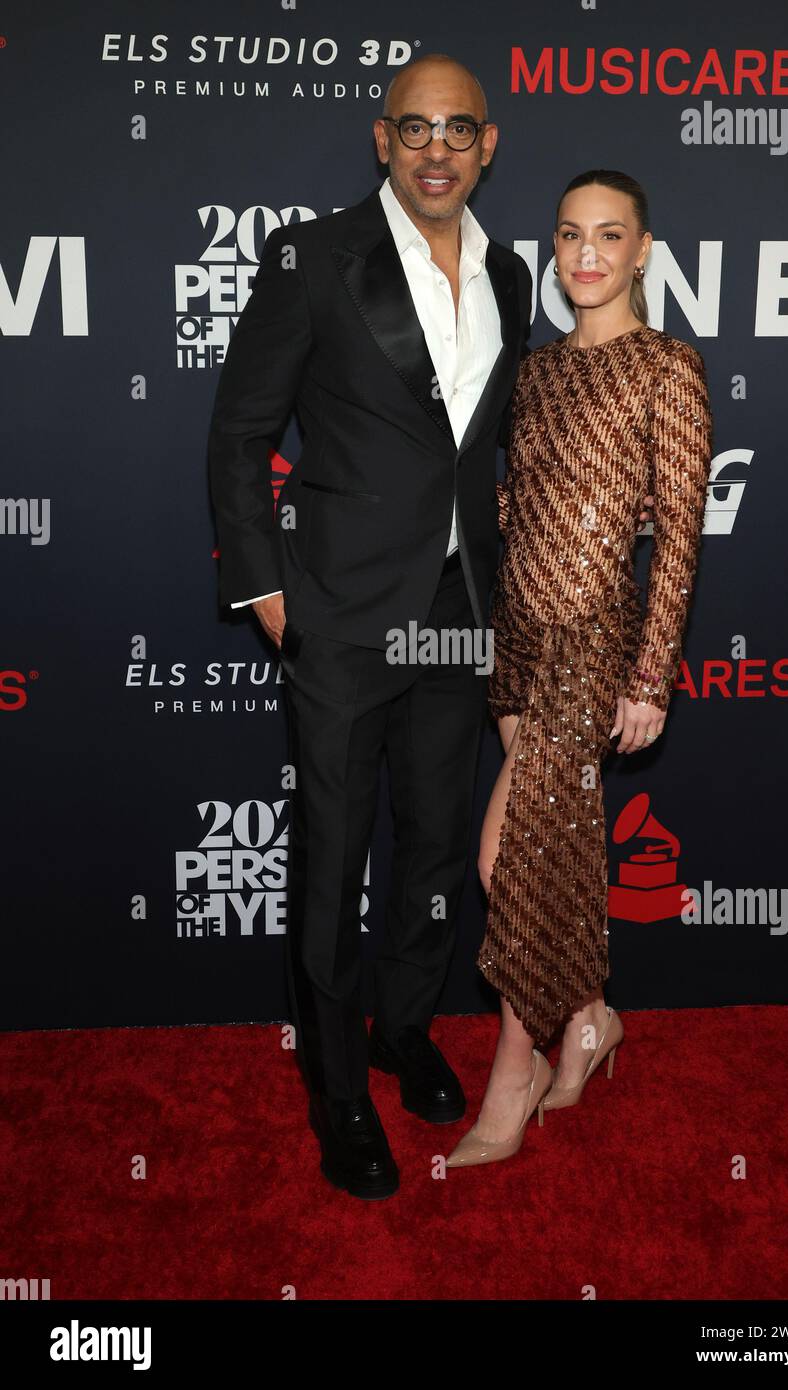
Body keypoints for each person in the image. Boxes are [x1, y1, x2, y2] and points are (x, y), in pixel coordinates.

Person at [207, 53, 536, 1201]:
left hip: (455, 612)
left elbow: (484, 448)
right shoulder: (311, 258)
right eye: (413, 129)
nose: (436, 149)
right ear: (380, 139)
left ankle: (403, 1029)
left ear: (487, 144)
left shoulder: (511, 271)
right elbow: (239, 433)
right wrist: (266, 590)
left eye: (458, 129)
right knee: (333, 857)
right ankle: (337, 1088)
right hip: (340, 615)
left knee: (438, 843)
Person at [446, 170, 713, 1168]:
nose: (585, 254)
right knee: (553, 856)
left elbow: (678, 540)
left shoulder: (666, 369)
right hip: (520, 641)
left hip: (596, 643)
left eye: (608, 235)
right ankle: (591, 1017)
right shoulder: (536, 371)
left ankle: (511, 1073)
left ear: (642, 250)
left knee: (503, 860)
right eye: (568, 235)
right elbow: (515, 512)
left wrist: (649, 675)